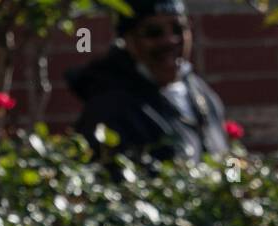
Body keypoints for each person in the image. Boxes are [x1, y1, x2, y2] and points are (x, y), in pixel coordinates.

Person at [64, 0, 227, 162]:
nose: (170, 40)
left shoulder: (201, 93)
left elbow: (226, 159)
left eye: (178, 29)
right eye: (154, 32)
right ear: (128, 40)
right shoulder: (110, 109)